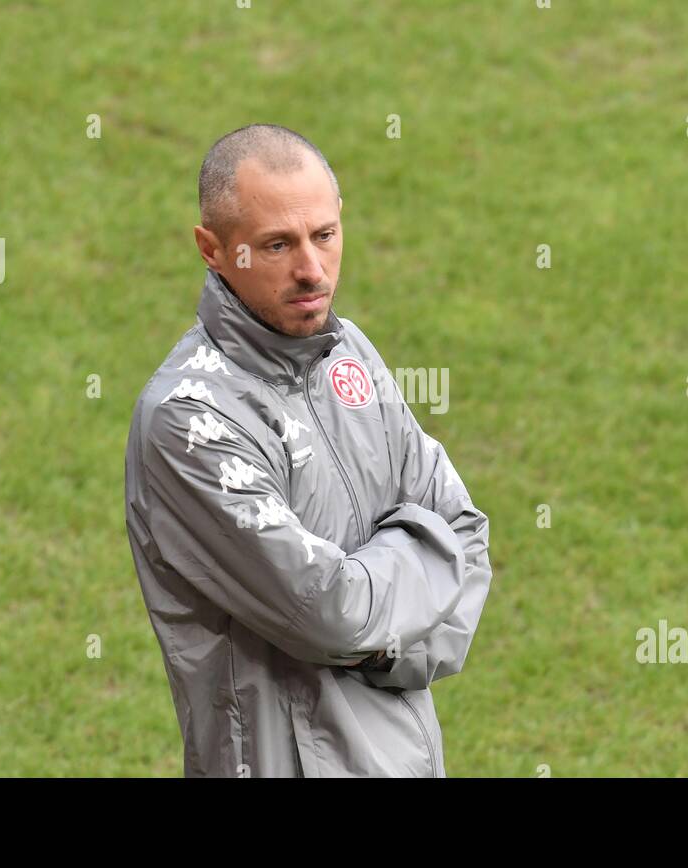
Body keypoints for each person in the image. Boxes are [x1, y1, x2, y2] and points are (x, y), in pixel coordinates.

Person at [124, 123, 492, 777]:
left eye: (325, 234)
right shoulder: (189, 419)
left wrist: (378, 648)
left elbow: (465, 535)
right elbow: (328, 609)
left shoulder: (350, 353)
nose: (311, 270)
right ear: (213, 249)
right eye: (277, 245)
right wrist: (392, 611)